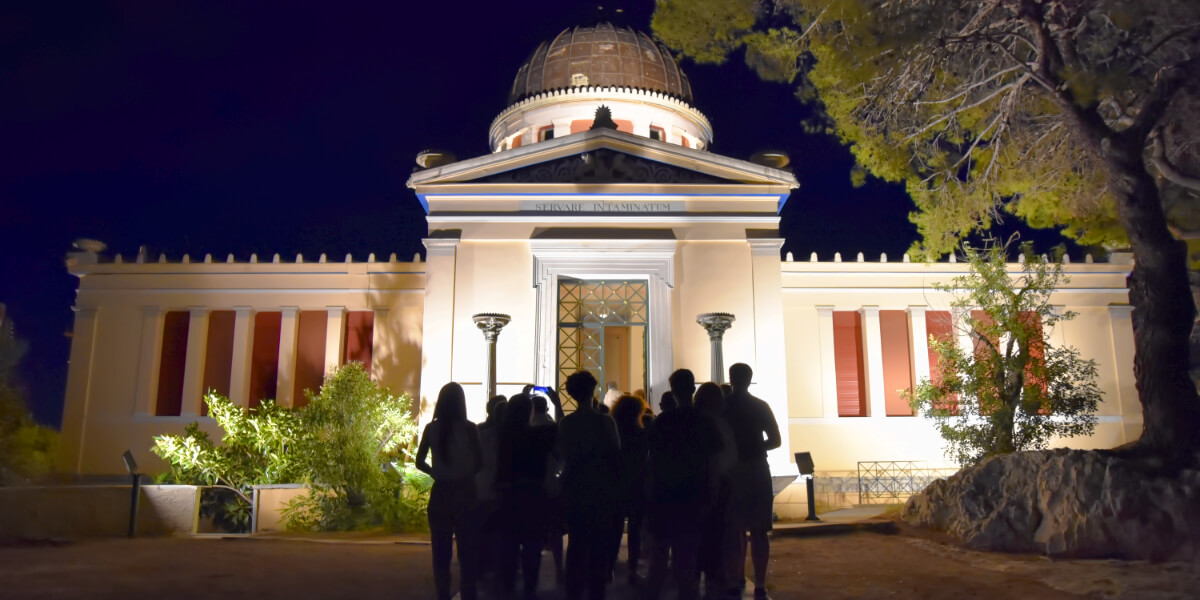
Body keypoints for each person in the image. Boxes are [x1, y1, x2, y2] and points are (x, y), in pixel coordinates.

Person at [643, 369, 722, 600]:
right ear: (693, 389)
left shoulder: (663, 421)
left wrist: (649, 496)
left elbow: (652, 462)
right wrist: (712, 496)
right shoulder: (704, 421)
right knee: (687, 564)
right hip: (694, 497)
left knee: (657, 564)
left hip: (665, 496)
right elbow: (713, 463)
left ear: (673, 391)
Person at [416, 382, 484, 600]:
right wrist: (465, 473)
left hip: (442, 492)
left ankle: (443, 594)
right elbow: (480, 462)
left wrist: (436, 472)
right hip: (465, 491)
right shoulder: (470, 428)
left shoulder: (431, 428)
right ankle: (468, 592)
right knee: (468, 549)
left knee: (441, 550)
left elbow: (419, 462)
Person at [557, 370, 621, 600]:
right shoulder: (605, 421)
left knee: (576, 544)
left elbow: (563, 457)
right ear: (592, 391)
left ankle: (573, 591)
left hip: (575, 488)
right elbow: (615, 456)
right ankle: (597, 591)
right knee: (598, 547)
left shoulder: (567, 423)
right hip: (600, 488)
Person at [723, 363, 782, 600]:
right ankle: (760, 583)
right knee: (759, 530)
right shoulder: (760, 406)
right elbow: (775, 440)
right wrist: (756, 446)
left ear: (731, 378)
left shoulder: (723, 407)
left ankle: (736, 576)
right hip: (757, 467)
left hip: (731, 470)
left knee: (734, 528)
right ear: (750, 379)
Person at [495, 393, 557, 599]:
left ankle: (507, 586)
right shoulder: (539, 435)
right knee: (532, 545)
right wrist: (556, 403)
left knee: (508, 545)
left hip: (509, 493)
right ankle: (530, 587)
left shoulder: (503, 436)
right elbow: (559, 431)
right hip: (534, 493)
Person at [694, 382, 736, 598]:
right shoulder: (718, 424)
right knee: (716, 542)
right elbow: (723, 459)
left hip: (693, 491)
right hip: (716, 489)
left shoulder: (692, 422)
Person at [609, 393, 649, 585]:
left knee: (614, 526)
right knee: (635, 527)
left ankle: (609, 564)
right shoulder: (642, 434)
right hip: (638, 483)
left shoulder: (614, 433)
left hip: (616, 483)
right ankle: (633, 567)